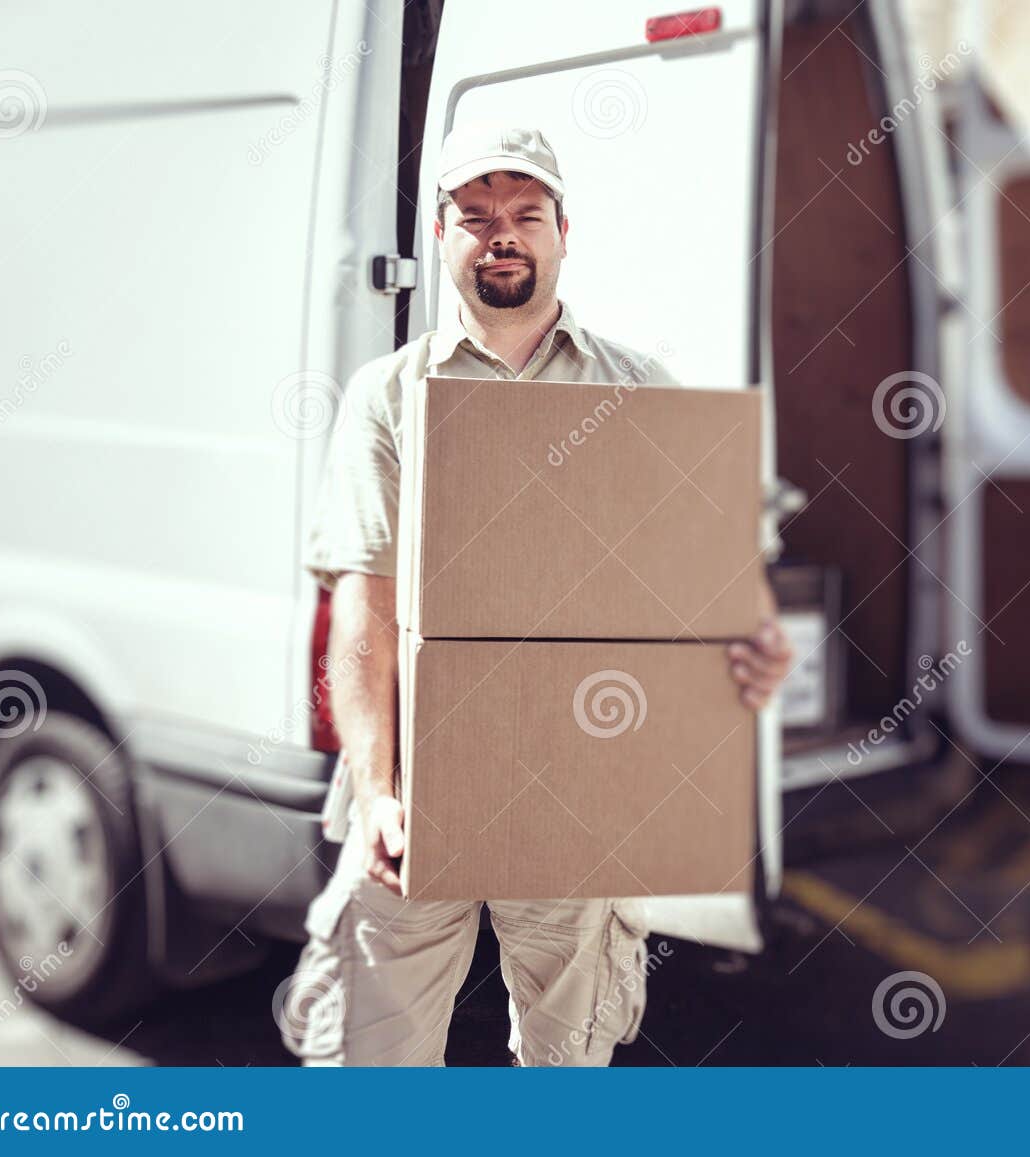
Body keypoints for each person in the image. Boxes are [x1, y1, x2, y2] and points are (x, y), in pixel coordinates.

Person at [280, 124, 793, 1066]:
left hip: (580, 787)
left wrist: (752, 640)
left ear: (564, 230)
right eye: (475, 217)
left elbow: (711, 581)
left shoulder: (635, 389)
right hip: (415, 792)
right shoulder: (390, 395)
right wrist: (379, 786)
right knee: (372, 1064)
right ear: (442, 236)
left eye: (524, 214)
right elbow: (363, 607)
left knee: (569, 1071)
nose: (500, 234)